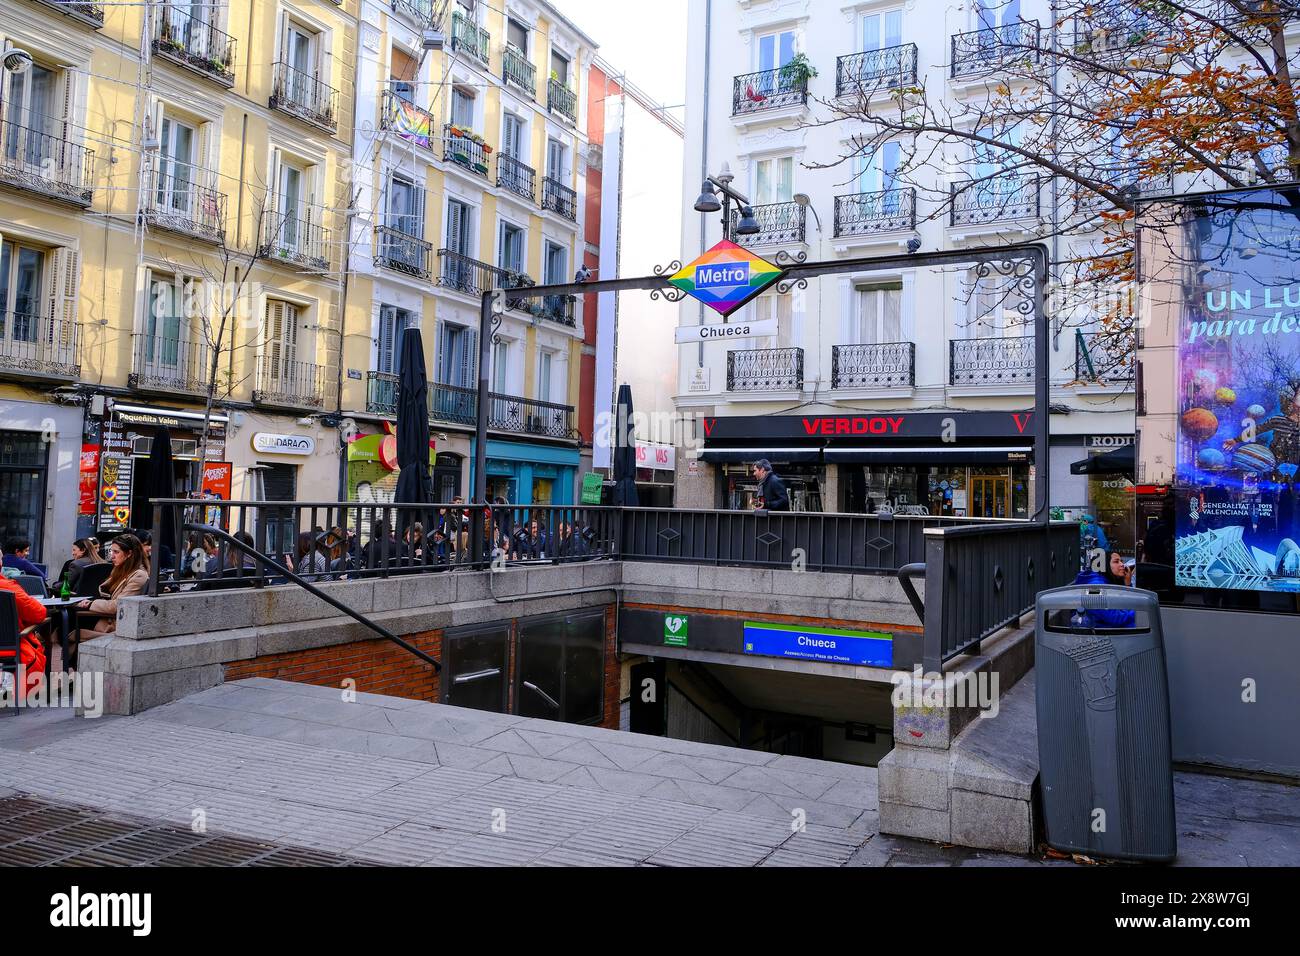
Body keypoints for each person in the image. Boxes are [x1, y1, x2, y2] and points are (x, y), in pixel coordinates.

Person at [71, 533, 150, 658]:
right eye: (111, 551)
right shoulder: (122, 569)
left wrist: (91, 603)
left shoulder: (138, 575)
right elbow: (107, 593)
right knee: (62, 618)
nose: (111, 556)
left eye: (116, 552)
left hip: (113, 623)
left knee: (65, 621)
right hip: (105, 615)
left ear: (129, 554)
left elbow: (119, 606)